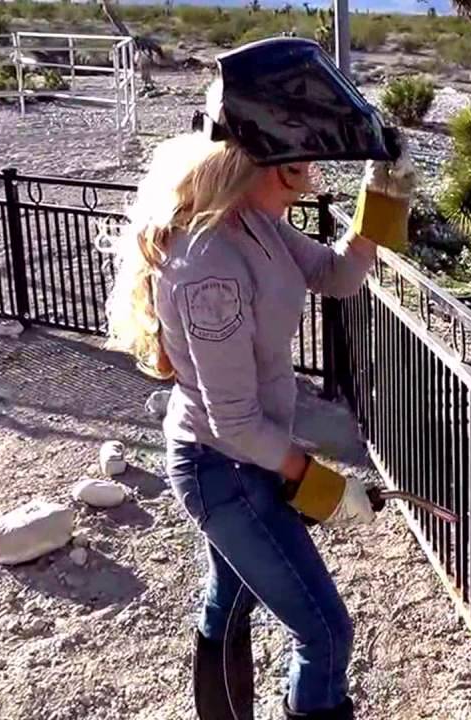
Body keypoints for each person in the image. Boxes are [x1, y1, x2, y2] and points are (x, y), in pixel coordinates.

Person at [101, 38, 415, 720]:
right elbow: (235, 423)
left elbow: (338, 277)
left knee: (229, 597)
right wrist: (328, 486)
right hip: (224, 467)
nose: (310, 168)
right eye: (302, 155)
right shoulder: (210, 262)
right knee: (326, 633)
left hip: (248, 455)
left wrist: (380, 199)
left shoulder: (257, 222)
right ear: (274, 155)